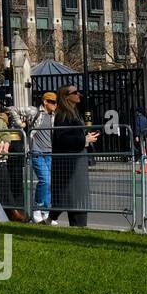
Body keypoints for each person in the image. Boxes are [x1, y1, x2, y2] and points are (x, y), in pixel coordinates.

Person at [50, 84, 99, 226]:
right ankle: (76, 226)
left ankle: (53, 217)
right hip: (71, 164)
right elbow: (62, 138)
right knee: (75, 199)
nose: (79, 95)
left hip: (77, 162)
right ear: (66, 97)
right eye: (75, 92)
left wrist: (87, 137)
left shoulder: (73, 112)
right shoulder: (63, 114)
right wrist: (84, 140)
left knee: (75, 199)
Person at [0, 94, 25, 221]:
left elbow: (6, 134)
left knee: (4, 185)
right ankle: (6, 212)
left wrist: (6, 145)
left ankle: (11, 212)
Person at [30, 92, 58, 222]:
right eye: (52, 102)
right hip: (37, 151)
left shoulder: (53, 116)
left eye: (56, 102)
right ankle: (37, 208)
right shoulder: (35, 112)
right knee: (45, 180)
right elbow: (14, 110)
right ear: (45, 102)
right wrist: (20, 123)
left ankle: (46, 212)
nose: (55, 104)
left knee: (50, 182)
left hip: (49, 152)